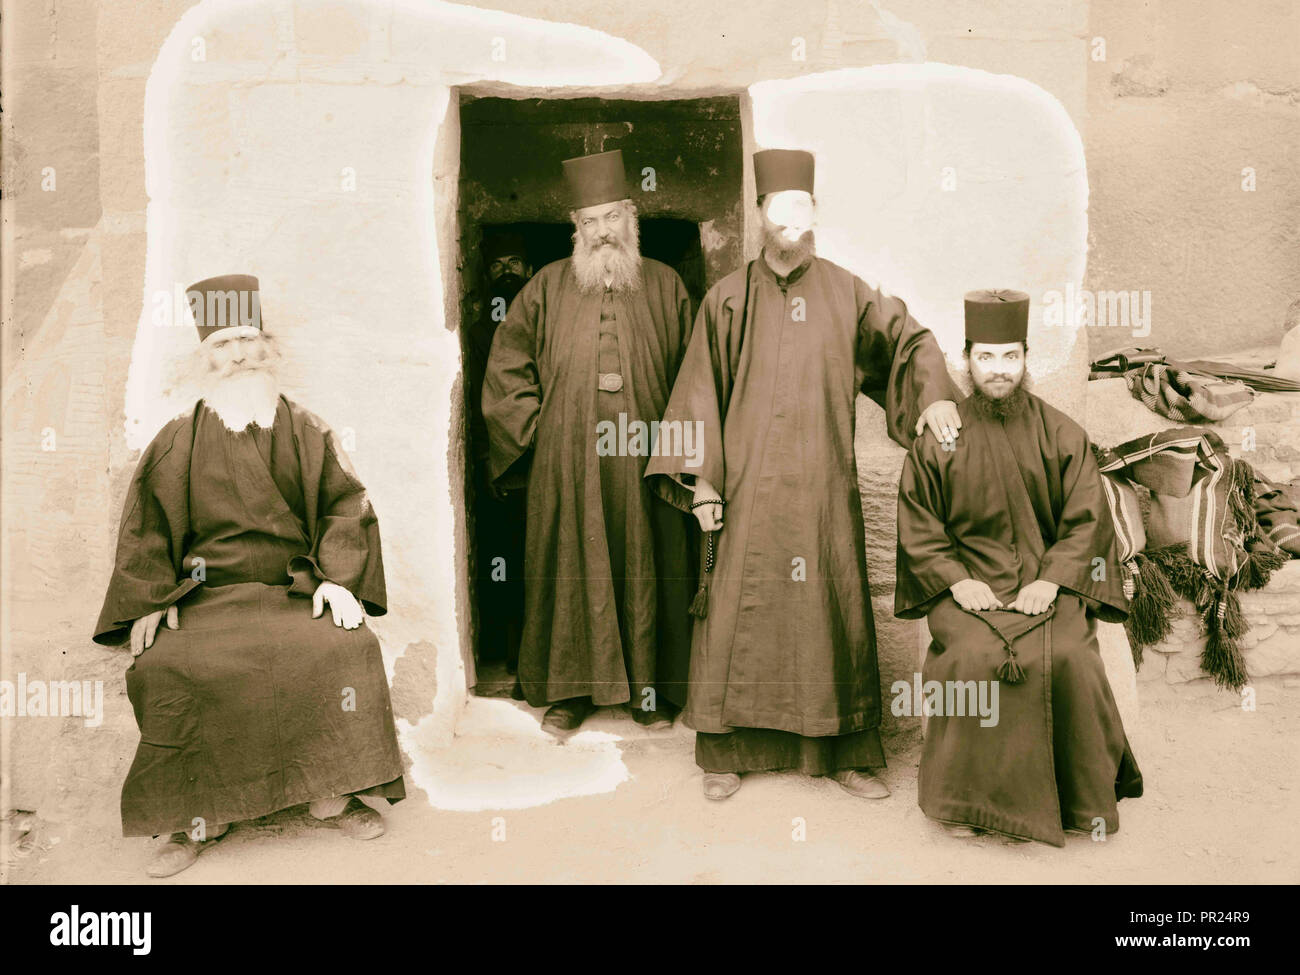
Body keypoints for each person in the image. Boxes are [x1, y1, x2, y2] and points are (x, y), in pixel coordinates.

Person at [645, 148, 960, 800]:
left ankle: (844, 751)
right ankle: (728, 752)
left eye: (801, 211)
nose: (790, 223)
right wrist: (700, 484)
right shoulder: (727, 300)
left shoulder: (847, 293)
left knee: (829, 617)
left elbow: (910, 341)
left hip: (822, 494)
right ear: (760, 215)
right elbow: (697, 389)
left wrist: (933, 395)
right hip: (745, 493)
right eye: (778, 210)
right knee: (736, 616)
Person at [93, 274, 404, 877]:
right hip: (205, 598)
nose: (238, 355)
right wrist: (151, 600)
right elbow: (147, 527)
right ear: (204, 358)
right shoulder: (179, 438)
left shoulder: (307, 430)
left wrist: (338, 581)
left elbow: (348, 506)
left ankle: (331, 792)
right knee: (166, 667)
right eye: (223, 345)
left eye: (248, 340)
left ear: (270, 348)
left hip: (294, 591)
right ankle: (194, 818)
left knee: (348, 649)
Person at [895, 288, 1143, 845]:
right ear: (968, 360)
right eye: (986, 357)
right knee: (970, 654)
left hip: (1046, 584)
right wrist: (958, 582)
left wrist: (1051, 580)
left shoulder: (1062, 434)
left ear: (1026, 358)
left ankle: (1078, 803)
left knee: (1072, 656)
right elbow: (920, 524)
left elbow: (1087, 522)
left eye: (1010, 356)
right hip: (968, 589)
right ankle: (964, 804)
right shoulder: (941, 440)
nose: (999, 370)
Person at [481, 150, 696, 737]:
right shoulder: (546, 286)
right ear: (577, 230)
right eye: (590, 222)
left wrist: (681, 455)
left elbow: (695, 375)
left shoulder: (666, 285)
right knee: (571, 566)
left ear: (633, 217)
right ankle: (569, 691)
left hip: (647, 456)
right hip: (567, 459)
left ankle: (650, 690)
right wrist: (538, 435)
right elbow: (506, 368)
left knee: (649, 561)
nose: (603, 232)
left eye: (612, 218)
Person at [466, 231, 533, 677]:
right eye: (498, 266)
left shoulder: (548, 319)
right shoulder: (478, 331)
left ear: (530, 271)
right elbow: (476, 401)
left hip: (548, 458)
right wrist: (490, 459)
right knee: (505, 561)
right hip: (501, 465)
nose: (507, 272)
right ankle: (511, 654)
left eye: (515, 263)